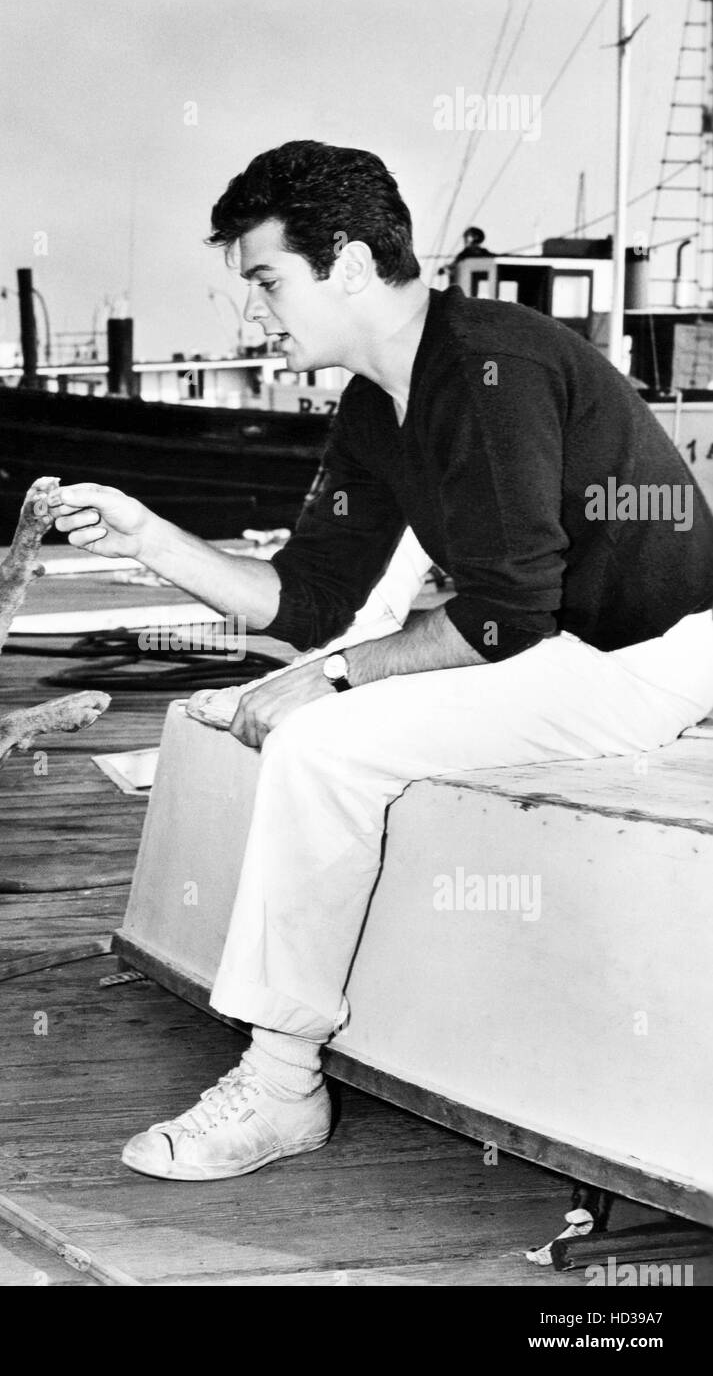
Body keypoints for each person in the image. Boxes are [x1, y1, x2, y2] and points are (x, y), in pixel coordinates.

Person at [47, 140, 713, 1182]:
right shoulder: (374, 403)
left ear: (349, 265)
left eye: (267, 279)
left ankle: (281, 1083)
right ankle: (282, 1066)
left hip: (649, 654)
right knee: (303, 709)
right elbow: (308, 598)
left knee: (322, 743)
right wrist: (149, 536)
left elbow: (503, 616)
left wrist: (335, 679)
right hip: (561, 645)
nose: (257, 309)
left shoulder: (495, 365)